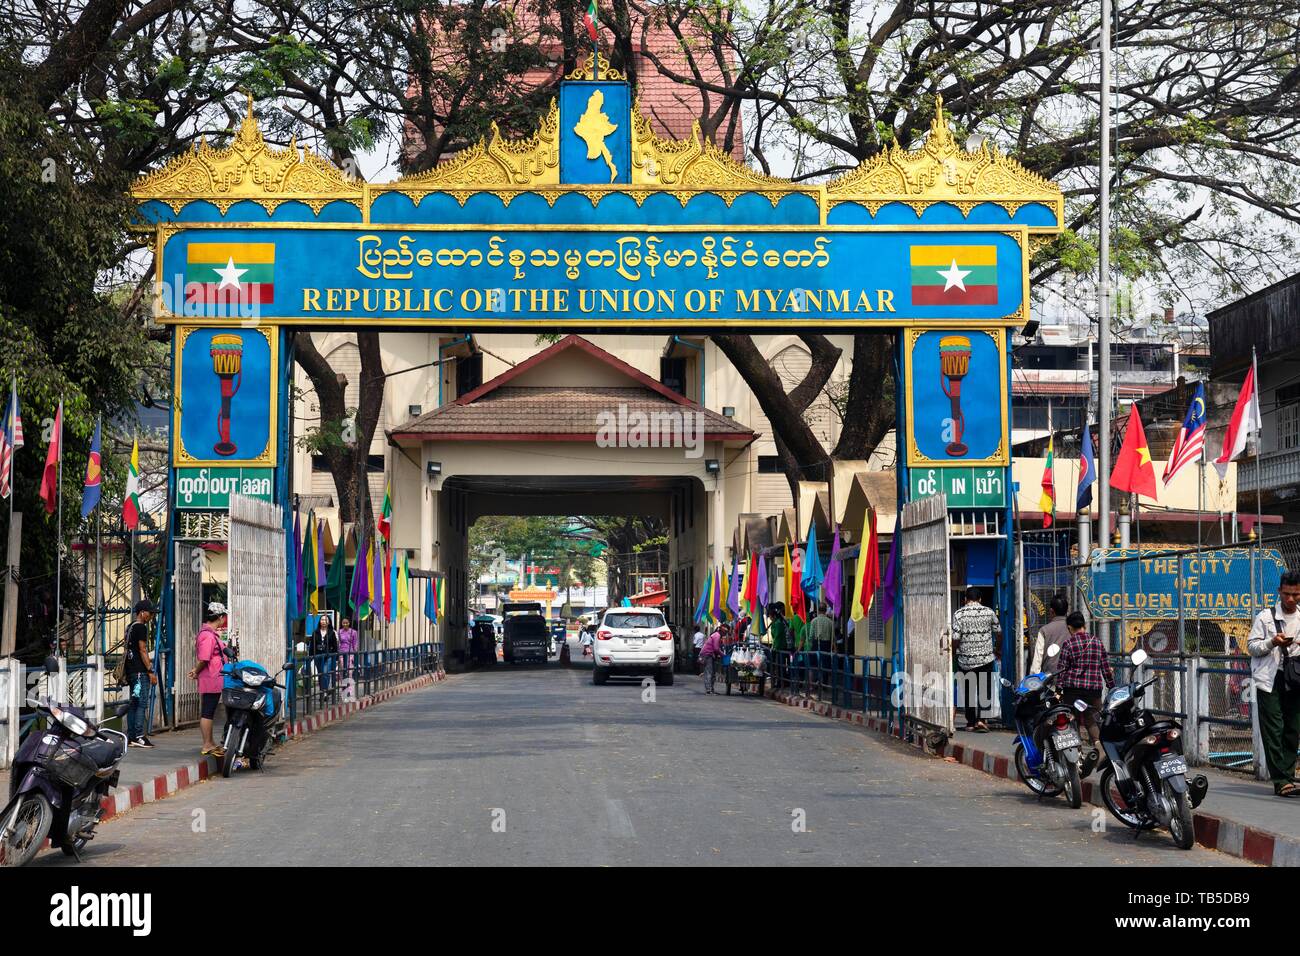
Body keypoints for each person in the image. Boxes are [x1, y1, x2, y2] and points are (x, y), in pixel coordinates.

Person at [1247, 571, 1300, 797]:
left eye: (1295, 594)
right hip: (1270, 678)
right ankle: (1281, 780)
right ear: (1279, 592)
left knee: (1293, 729)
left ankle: (1286, 775)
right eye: (1287, 594)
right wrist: (1272, 642)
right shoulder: (1265, 618)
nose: (1290, 599)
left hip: (1295, 677)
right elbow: (1252, 647)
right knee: (1273, 729)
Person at [1056, 611, 1114, 753]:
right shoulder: (1097, 642)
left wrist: (1058, 689)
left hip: (1072, 691)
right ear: (1085, 625)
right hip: (1093, 691)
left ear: (1069, 627)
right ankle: (1098, 745)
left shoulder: (1068, 644)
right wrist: (1111, 686)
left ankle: (1077, 753)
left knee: (1072, 719)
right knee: (1092, 719)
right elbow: (1105, 668)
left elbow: (1062, 670)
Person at [951, 586, 1001, 732]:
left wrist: (954, 652)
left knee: (968, 691)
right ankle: (982, 720)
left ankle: (971, 723)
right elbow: (999, 632)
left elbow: (955, 638)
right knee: (984, 689)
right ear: (980, 599)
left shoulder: (959, 614)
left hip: (965, 660)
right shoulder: (988, 612)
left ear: (965, 599)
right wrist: (998, 649)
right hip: (985, 658)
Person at [188, 602, 228, 757]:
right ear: (219, 617)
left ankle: (210, 742)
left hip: (214, 677)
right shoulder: (207, 636)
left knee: (209, 710)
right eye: (223, 616)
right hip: (211, 677)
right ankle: (206, 744)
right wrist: (196, 671)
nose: (224, 619)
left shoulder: (210, 634)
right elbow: (204, 658)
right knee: (208, 711)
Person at [123, 600, 157, 748]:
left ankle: (131, 736)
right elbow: (143, 650)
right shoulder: (141, 628)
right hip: (139, 672)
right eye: (149, 613)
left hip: (131, 670)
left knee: (134, 703)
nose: (150, 616)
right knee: (142, 703)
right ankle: (139, 736)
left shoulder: (129, 627)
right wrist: (150, 670)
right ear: (142, 612)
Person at [1030, 593, 1071, 675]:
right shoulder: (1073, 628)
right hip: (1070, 679)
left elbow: (1037, 660)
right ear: (1067, 610)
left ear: (1051, 611)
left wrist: (1034, 679)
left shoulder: (1044, 630)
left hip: (1049, 680)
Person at [310, 615, 339, 693]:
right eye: (322, 619)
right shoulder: (315, 632)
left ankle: (325, 691)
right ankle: (323, 690)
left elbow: (335, 646)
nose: (323, 621)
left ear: (329, 622)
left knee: (325, 672)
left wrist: (336, 658)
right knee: (321, 674)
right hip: (318, 656)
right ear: (319, 621)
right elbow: (312, 645)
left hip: (328, 656)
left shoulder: (332, 633)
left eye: (325, 620)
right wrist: (310, 657)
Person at [700, 622, 725, 694]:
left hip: (710, 655)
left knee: (712, 672)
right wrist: (723, 655)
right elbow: (716, 648)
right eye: (726, 632)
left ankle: (711, 689)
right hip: (707, 654)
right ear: (723, 631)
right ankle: (708, 690)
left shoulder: (717, 635)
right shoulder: (717, 636)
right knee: (709, 672)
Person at [338, 616, 359, 684]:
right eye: (343, 623)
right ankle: (343, 686)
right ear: (341, 623)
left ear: (349, 623)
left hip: (350, 653)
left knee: (350, 671)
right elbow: (338, 643)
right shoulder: (339, 632)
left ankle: (349, 688)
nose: (345, 624)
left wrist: (355, 653)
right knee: (343, 670)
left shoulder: (353, 632)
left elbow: (355, 643)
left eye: (346, 623)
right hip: (341, 653)